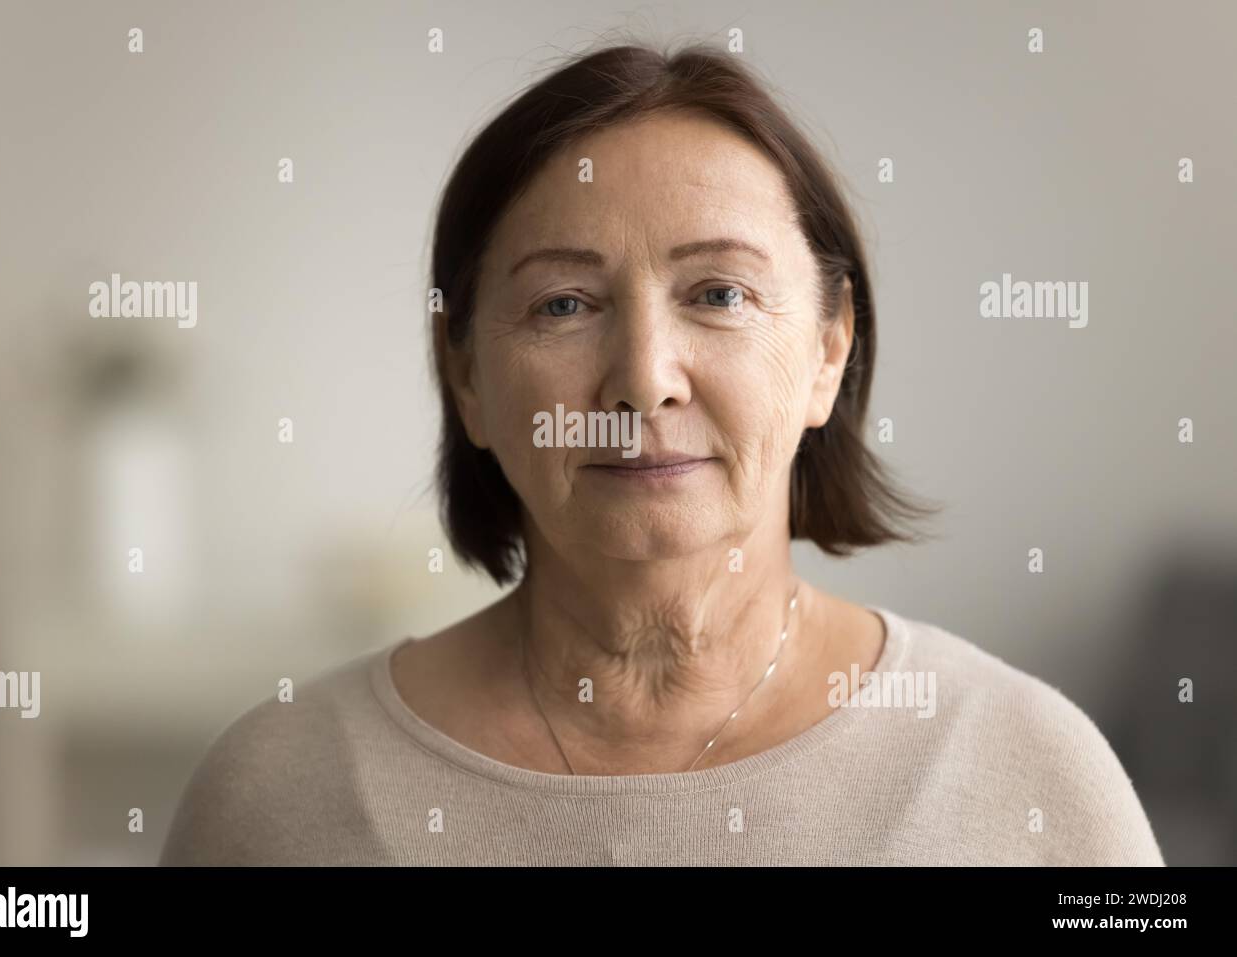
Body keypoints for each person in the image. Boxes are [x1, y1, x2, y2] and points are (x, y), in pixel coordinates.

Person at [160, 42, 1163, 866]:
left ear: (827, 347)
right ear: (463, 376)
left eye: (718, 295)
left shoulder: (1026, 775)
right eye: (563, 304)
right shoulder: (280, 792)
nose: (644, 378)